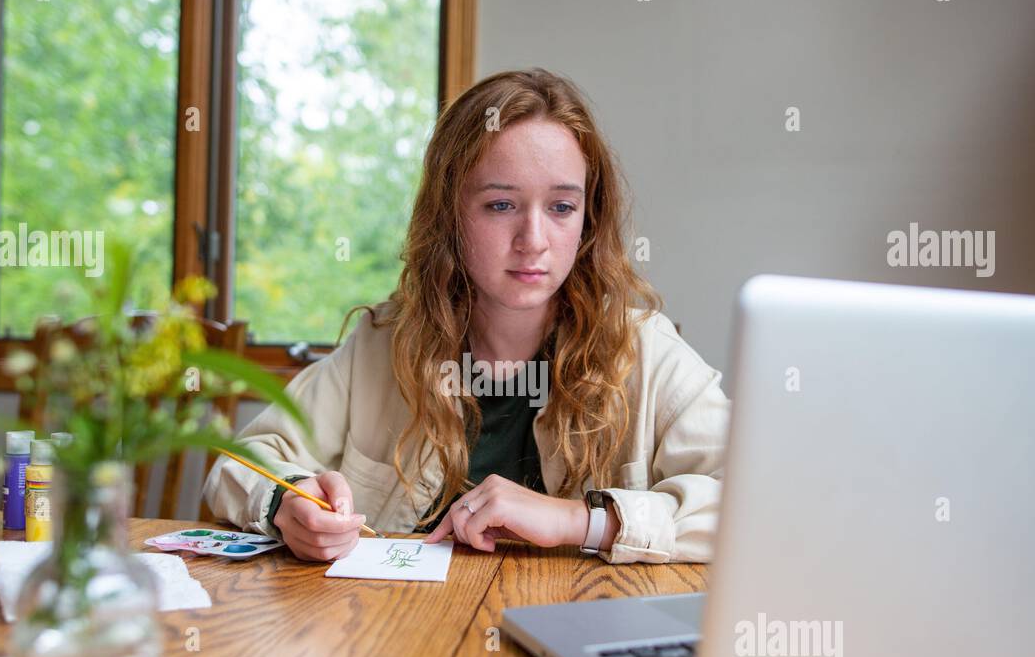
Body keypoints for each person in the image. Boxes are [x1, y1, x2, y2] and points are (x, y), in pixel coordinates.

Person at [203, 68, 730, 564]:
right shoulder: (382, 347)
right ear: (450, 215)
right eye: (501, 205)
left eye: (561, 208)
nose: (534, 241)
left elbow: (758, 500)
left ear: (587, 222)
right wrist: (284, 505)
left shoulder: (646, 352)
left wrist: (581, 520)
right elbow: (242, 460)